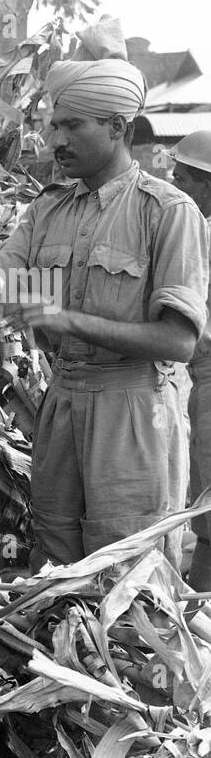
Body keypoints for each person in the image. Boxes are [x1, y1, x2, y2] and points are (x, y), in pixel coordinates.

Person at [0, 56, 209, 566]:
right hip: (63, 401)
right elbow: (0, 278)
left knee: (123, 570)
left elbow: (178, 342)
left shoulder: (165, 212)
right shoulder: (49, 208)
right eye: (54, 126)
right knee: (53, 558)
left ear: (118, 127)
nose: (56, 141)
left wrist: (67, 320)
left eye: (72, 125)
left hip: (131, 409)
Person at [170, 130, 211, 588]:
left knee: (208, 517)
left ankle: (198, 626)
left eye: (182, 178)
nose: (174, 187)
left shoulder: (200, 236)